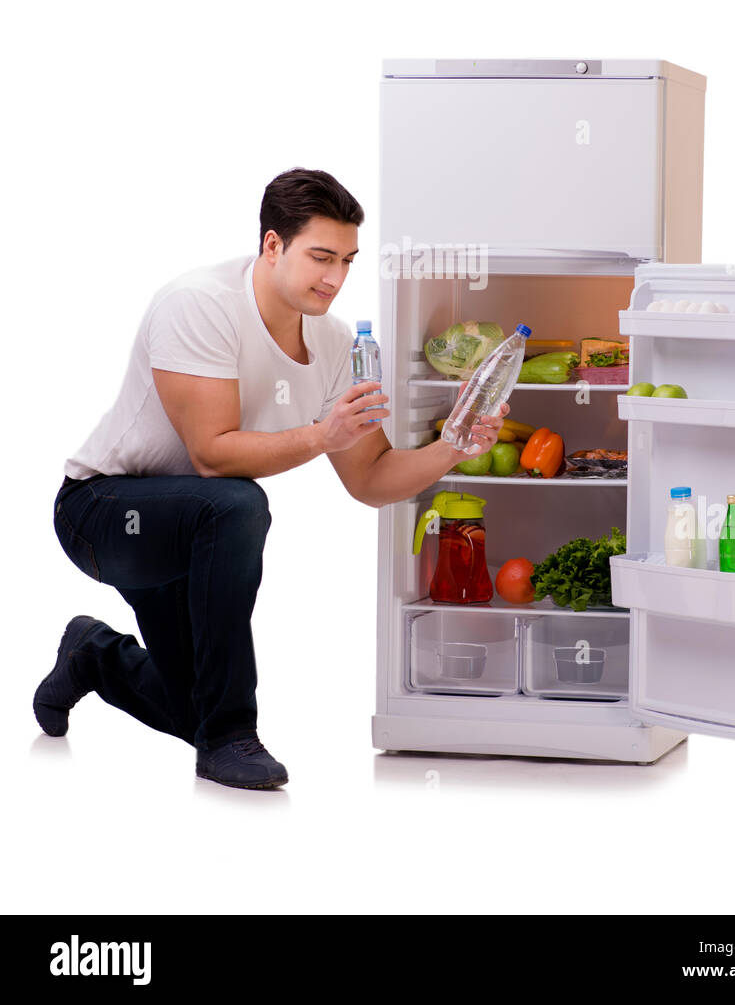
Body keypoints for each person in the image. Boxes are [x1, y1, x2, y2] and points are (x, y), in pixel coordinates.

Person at [34, 167, 507, 790]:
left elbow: (369, 479)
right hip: (103, 513)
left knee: (187, 709)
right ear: (272, 245)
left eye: (347, 260)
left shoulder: (336, 343)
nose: (335, 278)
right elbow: (211, 455)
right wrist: (320, 434)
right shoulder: (200, 305)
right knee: (236, 504)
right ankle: (232, 736)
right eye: (320, 257)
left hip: (192, 534)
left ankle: (93, 655)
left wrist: (452, 448)